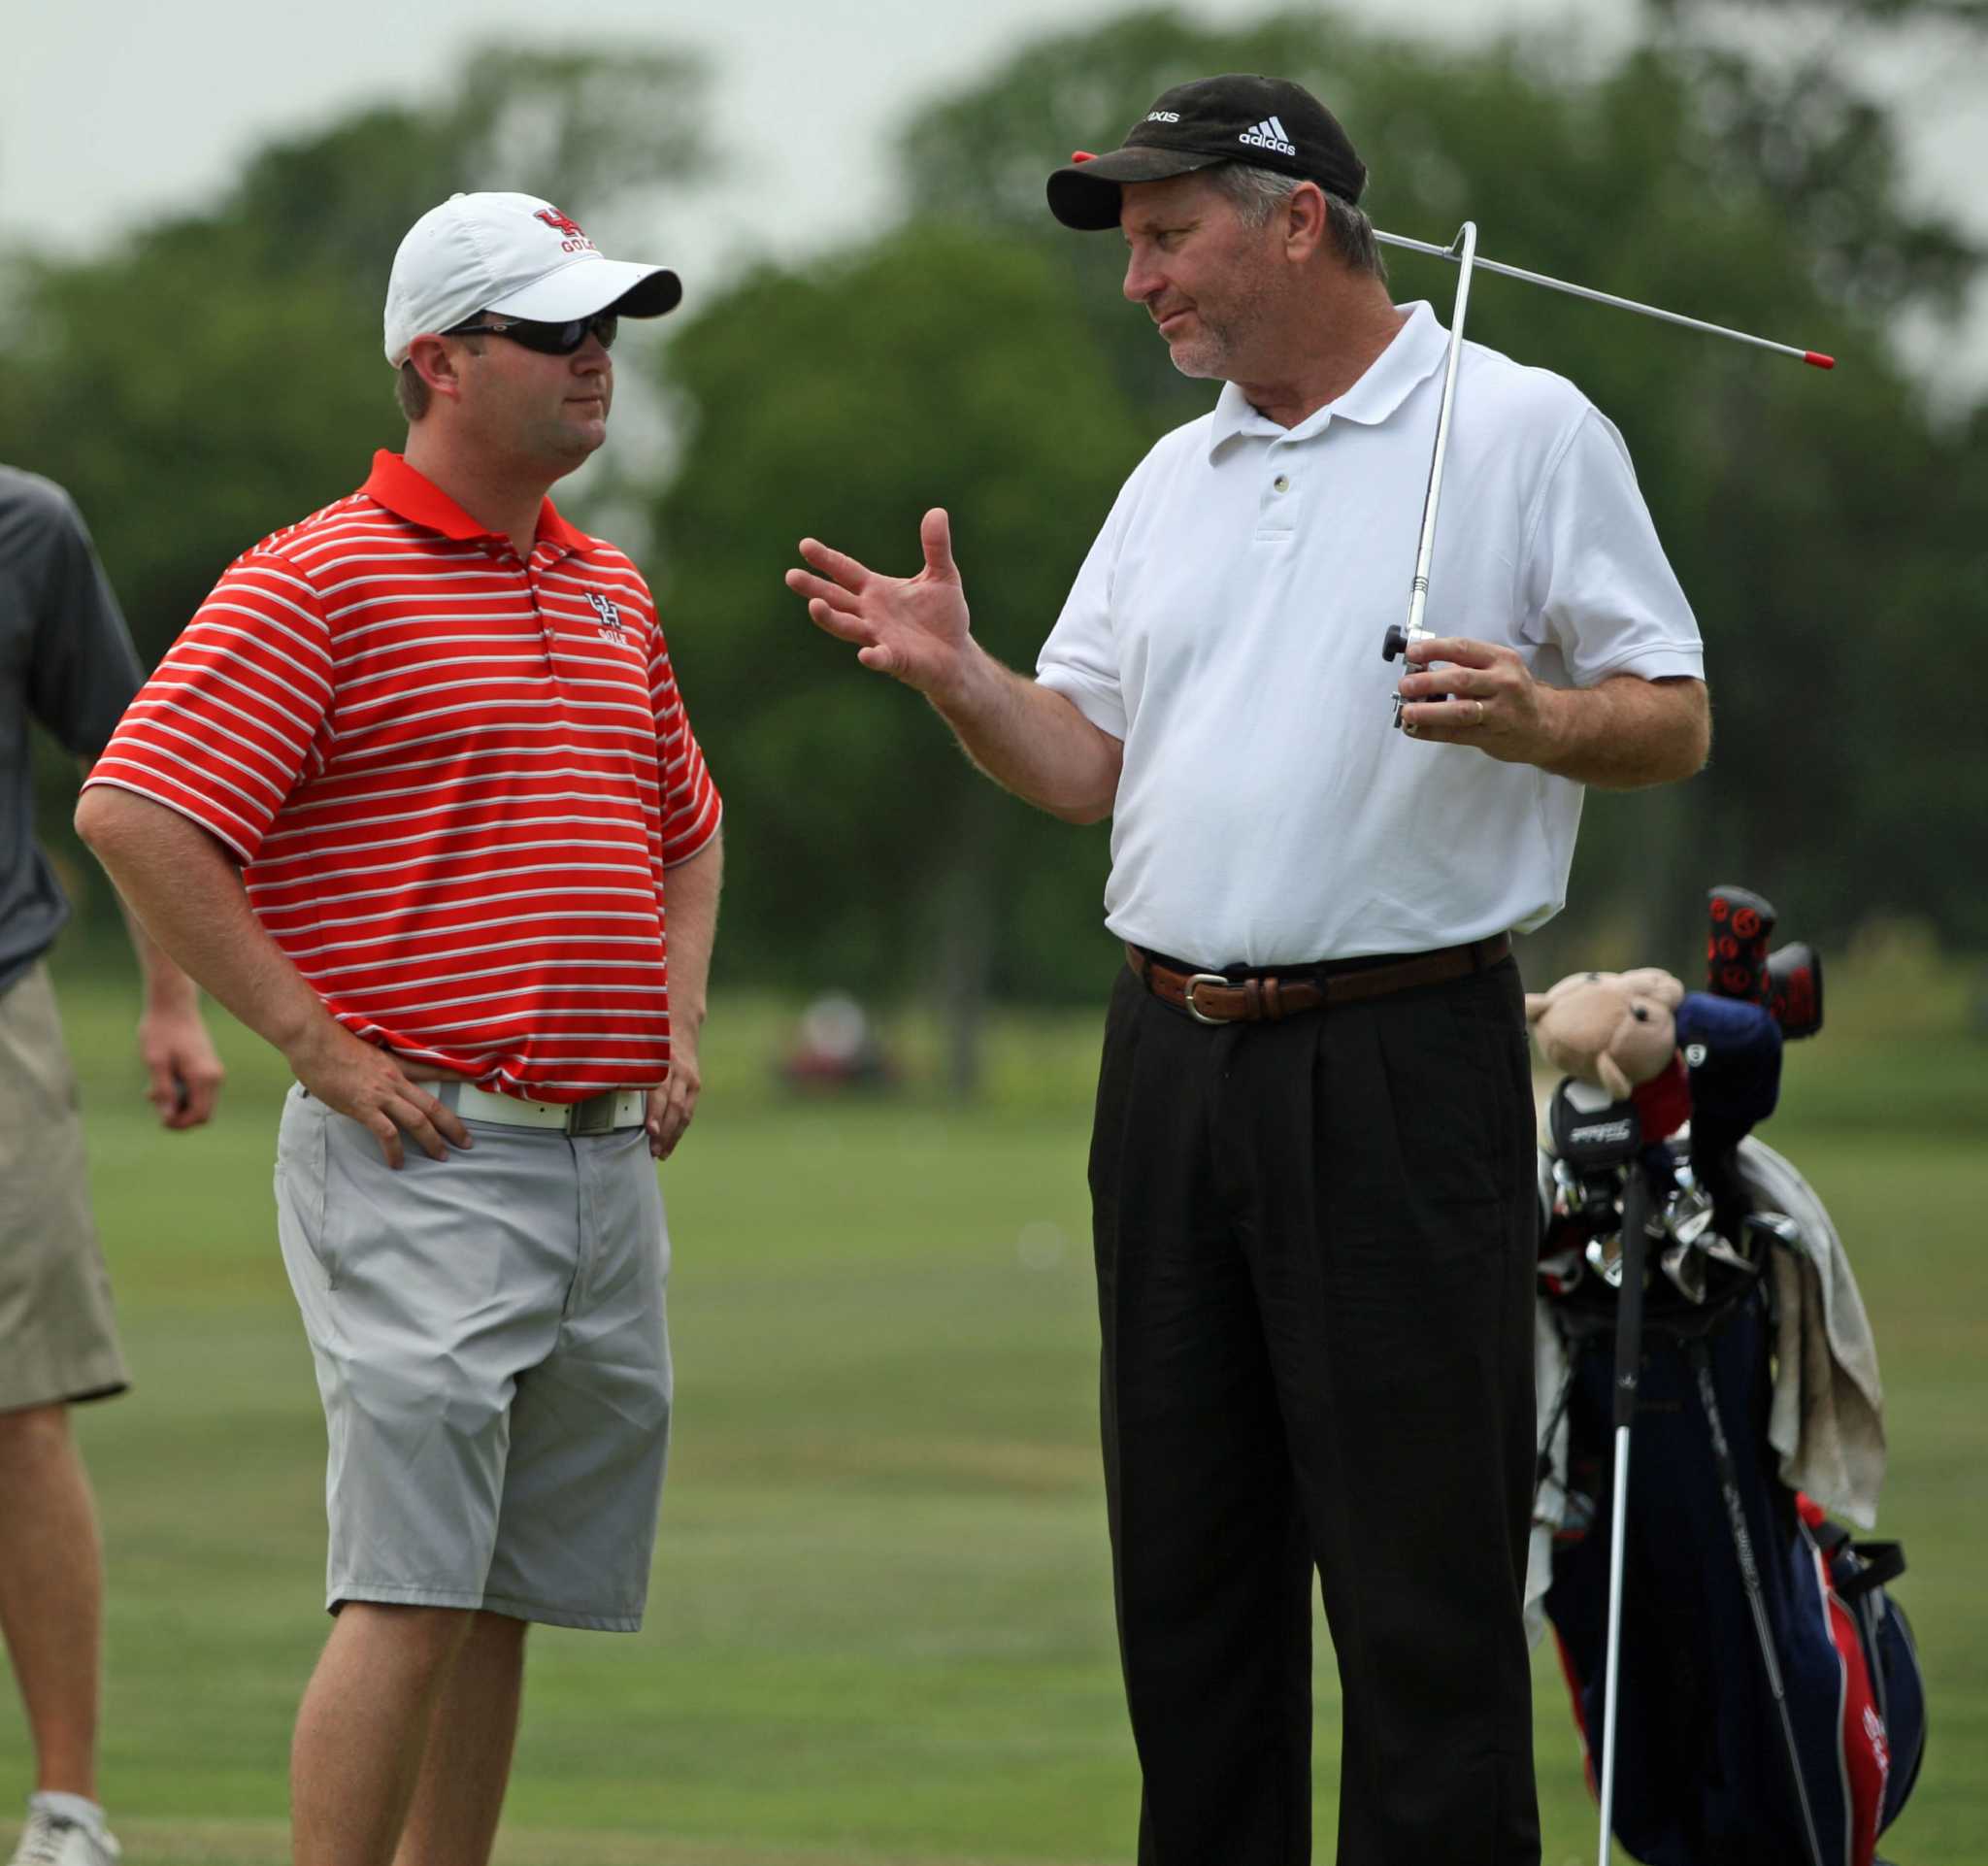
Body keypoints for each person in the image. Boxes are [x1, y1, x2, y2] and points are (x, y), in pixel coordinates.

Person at [785, 75, 1708, 1866]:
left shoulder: (1521, 427)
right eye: (1132, 247)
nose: (1140, 284)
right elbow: (1088, 767)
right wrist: (965, 681)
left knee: (1419, 1611)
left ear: (1298, 221)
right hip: (1171, 1072)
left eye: (1166, 236)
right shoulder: (1174, 468)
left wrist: (1538, 714)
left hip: (1398, 1064)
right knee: (1191, 1608)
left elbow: (1668, 716)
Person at [73, 191, 723, 1866]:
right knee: (413, 1592)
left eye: (608, 331)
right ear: (438, 359)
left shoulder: (608, 587)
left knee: (500, 1595)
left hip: (596, 1168)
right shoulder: (319, 576)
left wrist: (680, 1014)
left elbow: (689, 824)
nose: (598, 362)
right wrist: (316, 1038)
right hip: (421, 1145)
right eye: (557, 332)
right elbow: (139, 812)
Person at [3, 464, 225, 1866]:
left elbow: (135, 759)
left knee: (20, 1407)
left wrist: (173, 996)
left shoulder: (27, 529)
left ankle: (67, 1810)